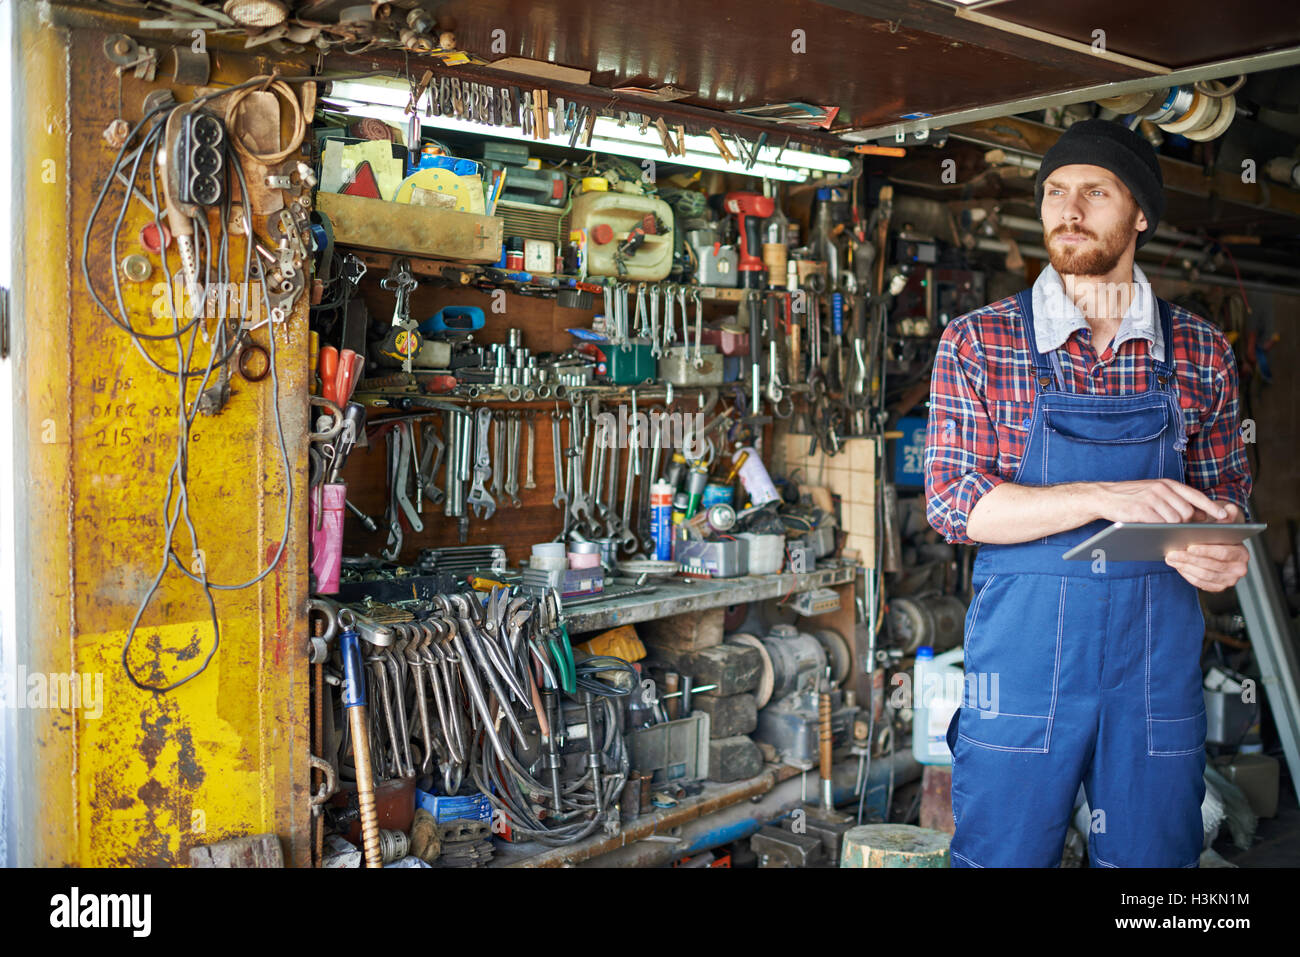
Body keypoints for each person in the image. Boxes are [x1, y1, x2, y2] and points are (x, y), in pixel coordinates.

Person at [923, 119, 1253, 868]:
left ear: (1140, 214)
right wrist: (1112, 494)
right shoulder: (978, 343)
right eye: (1054, 191)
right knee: (1000, 857)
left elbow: (1227, 496)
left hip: (1152, 673)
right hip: (1024, 667)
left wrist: (1220, 546)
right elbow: (953, 503)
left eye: (1095, 191)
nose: (1068, 209)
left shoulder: (1201, 351)